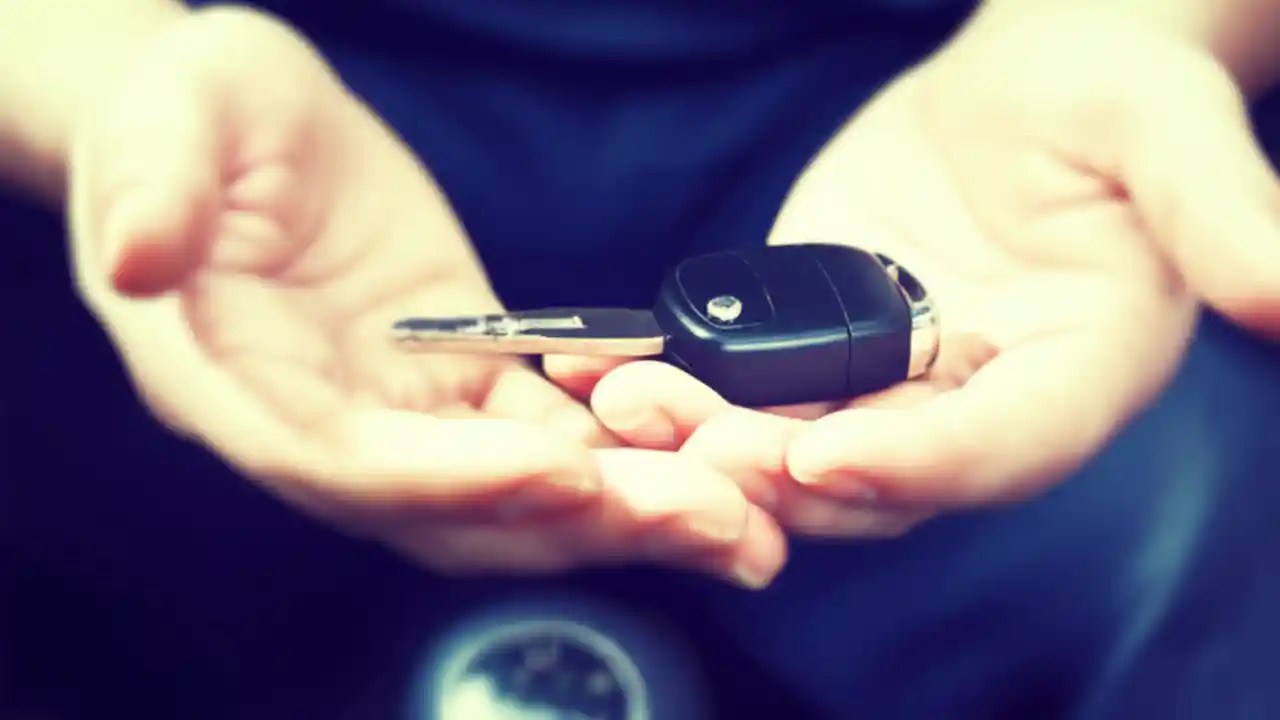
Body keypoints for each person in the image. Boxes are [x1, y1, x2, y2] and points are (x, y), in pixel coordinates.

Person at [2, 0, 1278, 717]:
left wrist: (1133, 29)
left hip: (919, 109)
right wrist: (97, 82)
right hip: (265, 128)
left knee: (1218, 545)